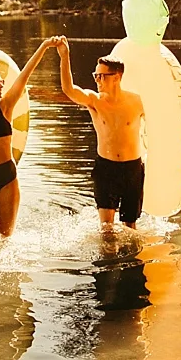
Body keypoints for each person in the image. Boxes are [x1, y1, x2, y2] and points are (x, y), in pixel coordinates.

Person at [0, 36, 63, 241]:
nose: (1, 85)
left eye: (1, 81)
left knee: (6, 238)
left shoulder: (6, 107)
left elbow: (25, 75)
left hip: (6, 176)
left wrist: (44, 46)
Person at [56, 38, 146, 230]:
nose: (97, 80)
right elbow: (68, 90)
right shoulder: (94, 101)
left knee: (130, 226)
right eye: (95, 75)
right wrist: (65, 56)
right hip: (106, 169)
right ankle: (108, 259)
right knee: (107, 229)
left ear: (117, 77)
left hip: (132, 169)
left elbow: (160, 126)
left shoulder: (137, 102)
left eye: (101, 76)